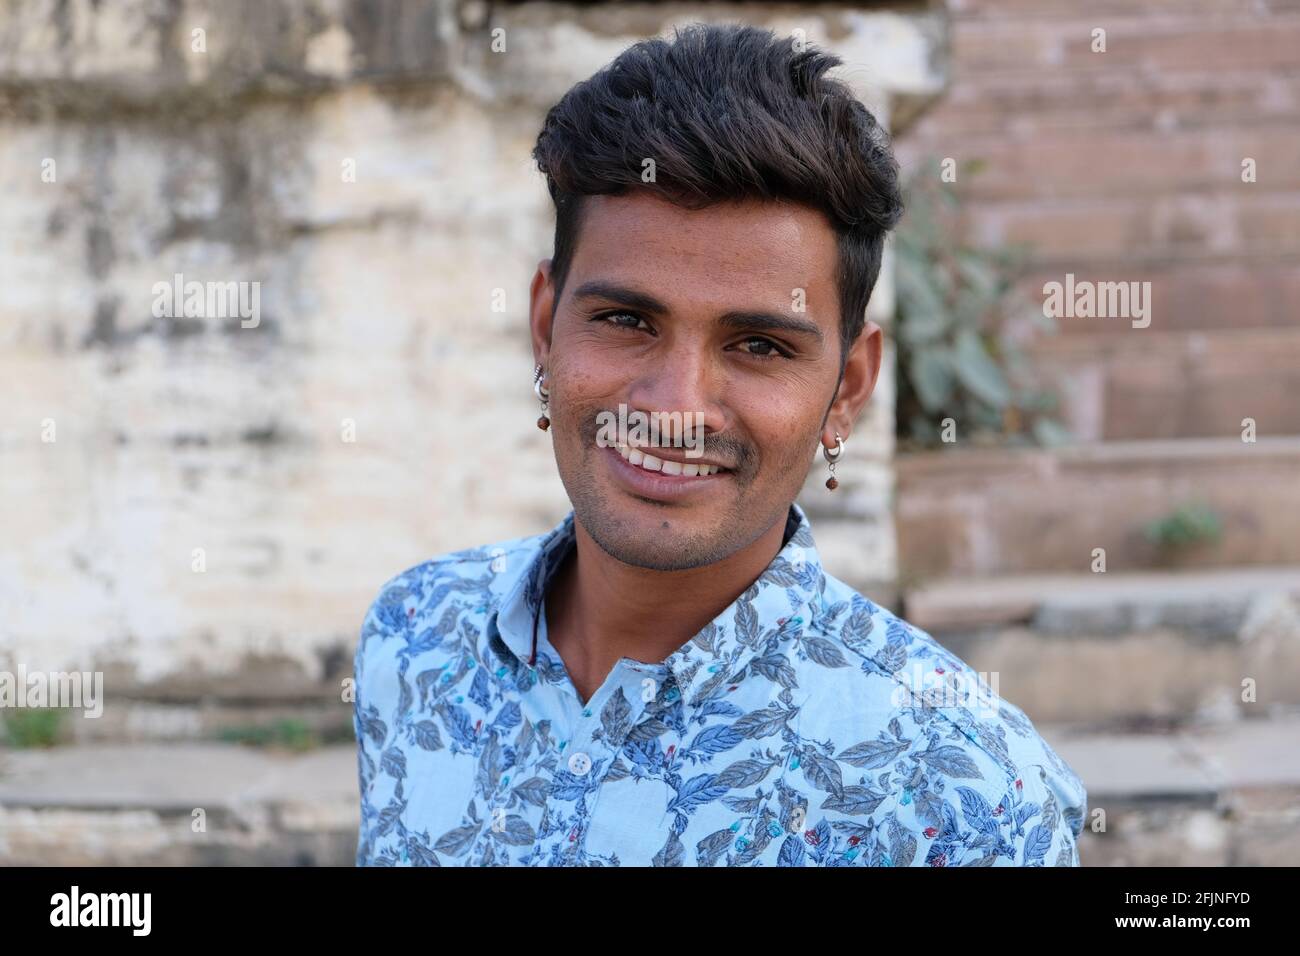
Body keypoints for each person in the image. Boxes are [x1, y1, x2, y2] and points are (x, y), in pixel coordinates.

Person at [353, 21, 1086, 866]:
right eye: (626, 320)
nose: (677, 405)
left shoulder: (965, 793)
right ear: (546, 327)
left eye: (760, 346)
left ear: (847, 390)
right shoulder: (416, 639)